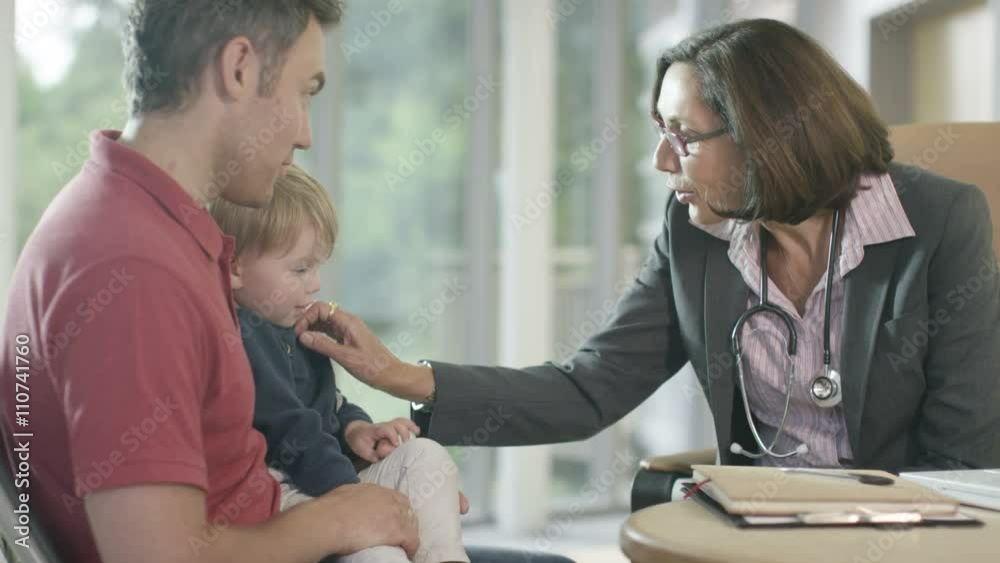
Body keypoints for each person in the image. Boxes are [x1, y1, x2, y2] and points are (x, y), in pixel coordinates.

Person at [292, 18, 1000, 473]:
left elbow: (961, 458)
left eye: (683, 137)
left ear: (771, 132)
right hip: (758, 531)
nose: (664, 163)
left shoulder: (940, 223)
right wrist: (394, 372)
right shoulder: (695, 238)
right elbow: (587, 389)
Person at [0, 2, 572, 563]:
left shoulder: (144, 221)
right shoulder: (133, 268)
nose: (305, 134)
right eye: (305, 92)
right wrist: (335, 519)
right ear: (240, 68)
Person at [210, 165, 470, 563]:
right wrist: (358, 499)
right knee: (378, 551)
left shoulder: (299, 329)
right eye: (299, 269)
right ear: (235, 267)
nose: (315, 284)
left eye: (317, 267)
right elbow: (290, 427)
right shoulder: (241, 334)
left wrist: (356, 427)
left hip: (327, 478)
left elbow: (328, 403)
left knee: (426, 456)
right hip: (282, 498)